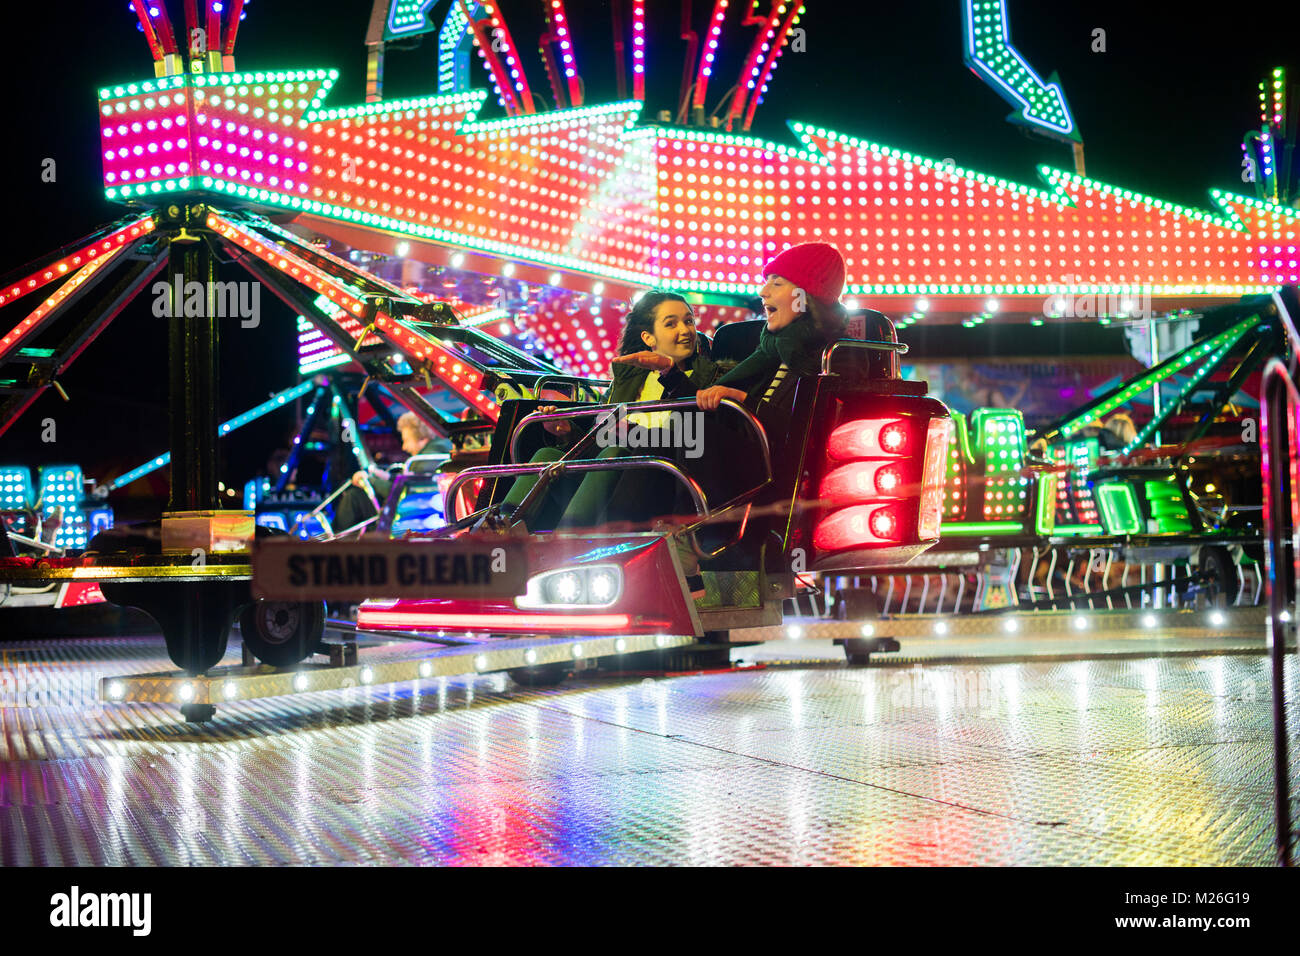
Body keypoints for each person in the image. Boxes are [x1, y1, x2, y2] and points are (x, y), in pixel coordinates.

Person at [497, 290, 722, 529]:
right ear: (649, 338)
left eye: (689, 321)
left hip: (658, 485)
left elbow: (695, 439)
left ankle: (568, 539)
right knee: (547, 456)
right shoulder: (628, 379)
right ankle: (502, 530)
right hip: (605, 482)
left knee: (613, 452)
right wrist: (567, 432)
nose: (686, 330)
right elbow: (600, 438)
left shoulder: (709, 379)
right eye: (671, 324)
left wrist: (635, 431)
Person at [333, 411, 450, 533]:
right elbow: (410, 481)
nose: (404, 447)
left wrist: (369, 480)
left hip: (407, 516)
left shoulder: (427, 459)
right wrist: (388, 476)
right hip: (416, 511)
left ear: (421, 438)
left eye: (406, 440)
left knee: (354, 497)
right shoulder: (437, 451)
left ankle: (336, 543)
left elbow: (400, 493)